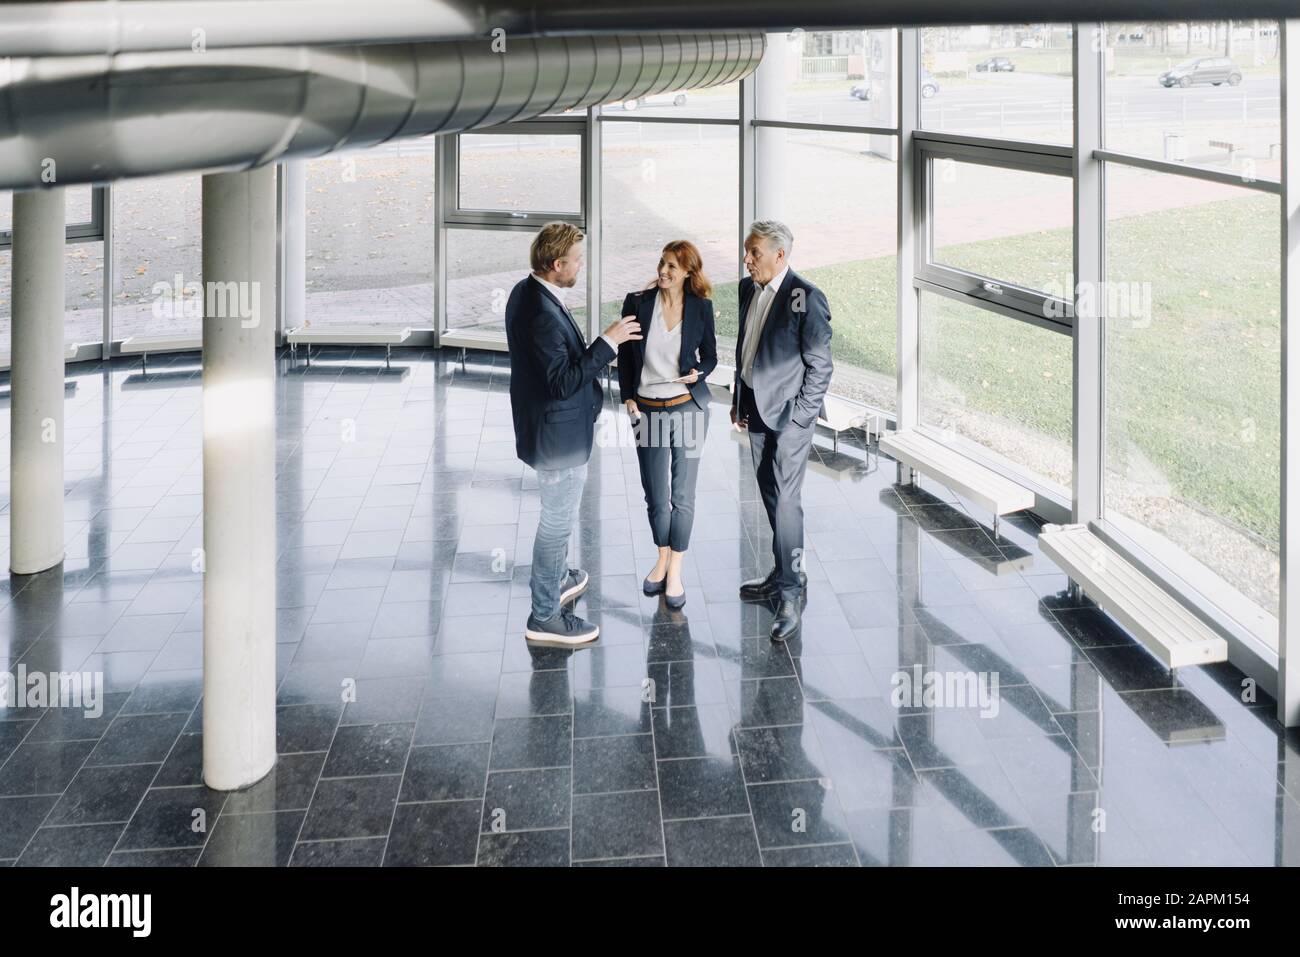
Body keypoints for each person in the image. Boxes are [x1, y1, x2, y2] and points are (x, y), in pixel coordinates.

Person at [504, 222, 642, 646]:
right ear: (555, 264)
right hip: (557, 441)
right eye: (577, 261)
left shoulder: (528, 292)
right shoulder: (541, 314)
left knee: (558, 517)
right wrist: (607, 343)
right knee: (556, 523)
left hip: (550, 431)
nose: (581, 267)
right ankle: (544, 615)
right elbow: (561, 382)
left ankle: (560, 577)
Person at [731, 220, 833, 642]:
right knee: (768, 491)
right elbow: (748, 347)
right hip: (755, 407)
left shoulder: (806, 298)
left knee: (787, 501)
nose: (746, 260)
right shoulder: (746, 289)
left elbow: (820, 366)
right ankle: (783, 570)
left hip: (791, 417)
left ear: (780, 255)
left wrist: (800, 420)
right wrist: (739, 401)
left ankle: (792, 592)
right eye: (746, 251)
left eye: (754, 252)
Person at [617, 241, 717, 610]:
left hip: (687, 408)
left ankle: (675, 569)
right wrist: (627, 395)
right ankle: (662, 554)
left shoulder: (701, 308)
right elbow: (626, 356)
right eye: (662, 263)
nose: (663, 271)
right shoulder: (638, 303)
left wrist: (699, 372)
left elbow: (711, 356)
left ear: (689, 272)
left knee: (683, 497)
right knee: (655, 495)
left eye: (673, 267)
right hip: (646, 411)